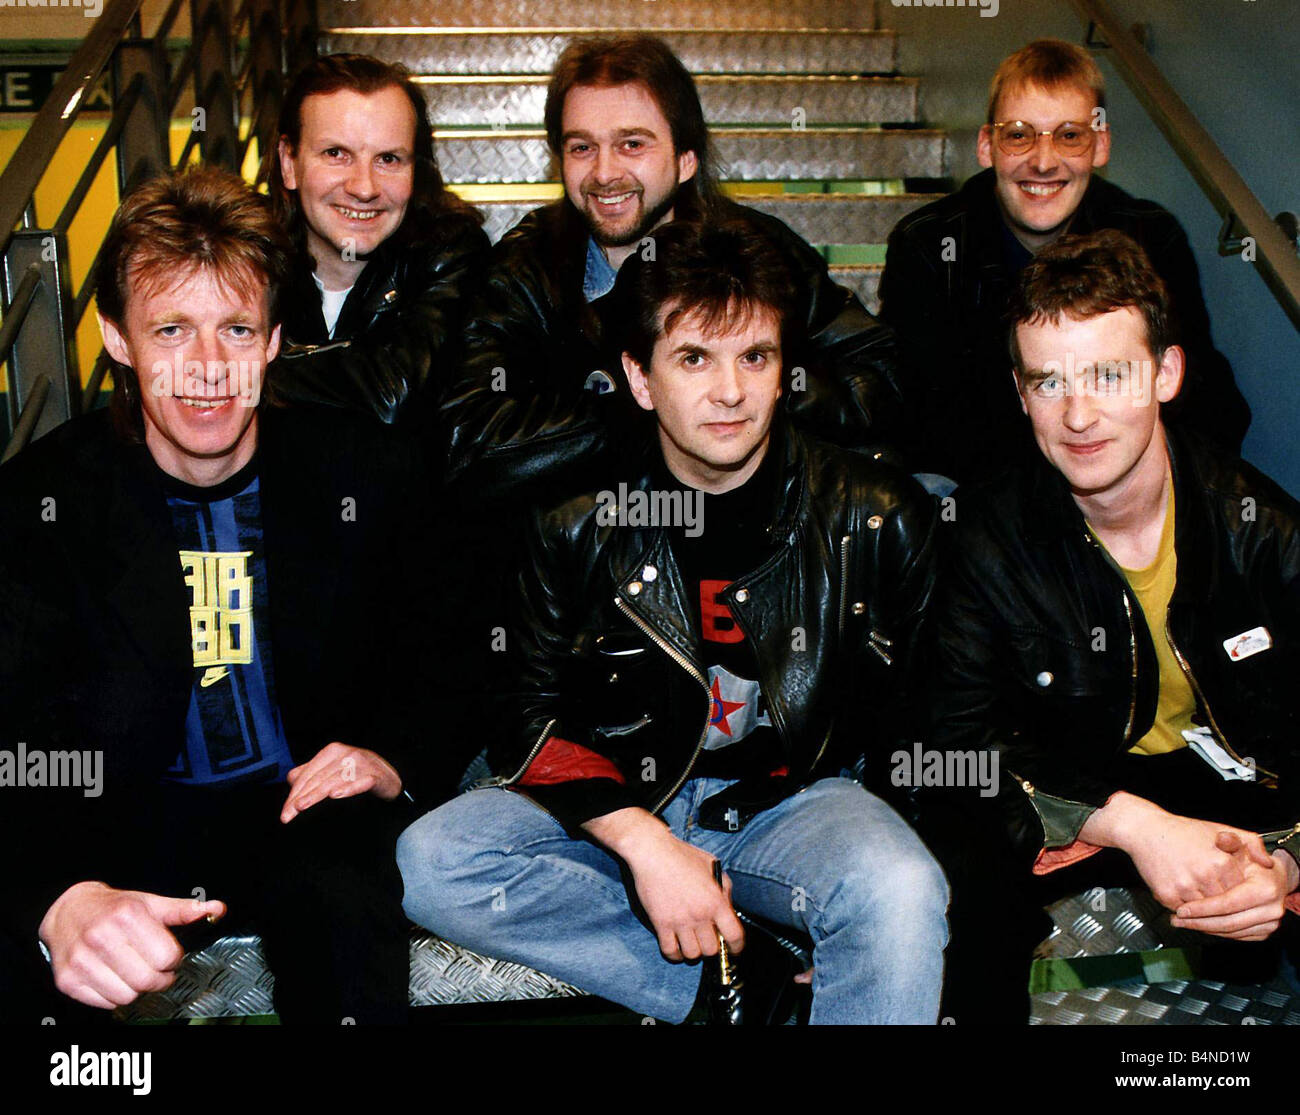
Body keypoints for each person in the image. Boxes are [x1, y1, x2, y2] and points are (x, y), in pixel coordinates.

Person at [398, 219, 947, 1025]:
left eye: (754, 357)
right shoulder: (577, 517)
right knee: (432, 858)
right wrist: (643, 843)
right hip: (627, 792)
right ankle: (736, 991)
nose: (730, 390)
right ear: (640, 377)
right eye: (694, 358)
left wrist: (889, 880)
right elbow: (523, 717)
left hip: (795, 803)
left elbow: (929, 721)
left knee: (898, 885)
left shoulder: (875, 512)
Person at [0, 166, 443, 1024]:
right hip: (116, 822)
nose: (208, 369)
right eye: (171, 330)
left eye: (237, 329)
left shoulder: (361, 471)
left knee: (343, 916)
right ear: (118, 339)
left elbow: (446, 648)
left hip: (304, 812)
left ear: (275, 340)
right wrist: (59, 898)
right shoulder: (41, 507)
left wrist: (391, 756)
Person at [926, 229, 1299, 1023]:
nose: (1079, 413)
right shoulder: (986, 534)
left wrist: (1289, 862)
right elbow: (952, 741)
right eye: (1049, 381)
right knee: (951, 879)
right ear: (1020, 394)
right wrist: (1133, 824)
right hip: (1071, 780)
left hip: (1235, 791)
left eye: (1108, 373)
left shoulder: (1262, 531)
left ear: (1166, 373)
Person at [439, 33, 907, 504]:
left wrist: (756, 394)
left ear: (685, 160)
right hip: (597, 540)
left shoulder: (755, 252)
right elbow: (469, 441)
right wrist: (646, 401)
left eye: (632, 144)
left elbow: (880, 375)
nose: (604, 173)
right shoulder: (526, 269)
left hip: (753, 521)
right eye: (582, 148)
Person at [879, 38, 1249, 484]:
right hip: (980, 492)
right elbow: (917, 413)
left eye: (1070, 136)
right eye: (1019, 135)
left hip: (1112, 481)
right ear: (986, 146)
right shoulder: (928, 245)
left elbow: (1203, 397)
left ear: (1100, 146)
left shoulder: (1149, 238)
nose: (1043, 161)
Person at [268, 53, 489, 425]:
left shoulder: (450, 255)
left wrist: (241, 374)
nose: (364, 188)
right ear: (289, 163)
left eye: (388, 159)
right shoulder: (246, 256)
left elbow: (394, 391)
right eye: (336, 154)